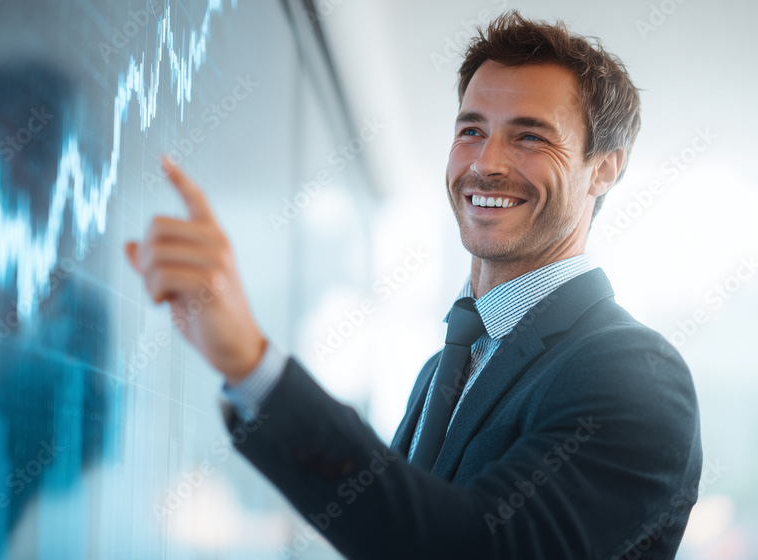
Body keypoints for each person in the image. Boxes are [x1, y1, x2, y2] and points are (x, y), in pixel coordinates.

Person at [125, 11, 702, 560]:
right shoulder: (447, 365)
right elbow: (397, 529)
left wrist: (253, 365)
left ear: (603, 168)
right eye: (471, 130)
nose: (486, 163)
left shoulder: (639, 373)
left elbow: (477, 550)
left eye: (529, 137)